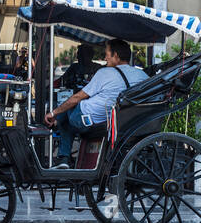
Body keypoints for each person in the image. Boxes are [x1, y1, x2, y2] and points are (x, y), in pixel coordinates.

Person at [43, 38, 144, 170]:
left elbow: (78, 97)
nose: (104, 57)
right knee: (67, 112)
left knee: (67, 109)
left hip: (90, 121)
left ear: (116, 56)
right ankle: (63, 150)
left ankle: (63, 156)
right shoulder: (141, 75)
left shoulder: (104, 72)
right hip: (119, 121)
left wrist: (53, 113)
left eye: (107, 53)